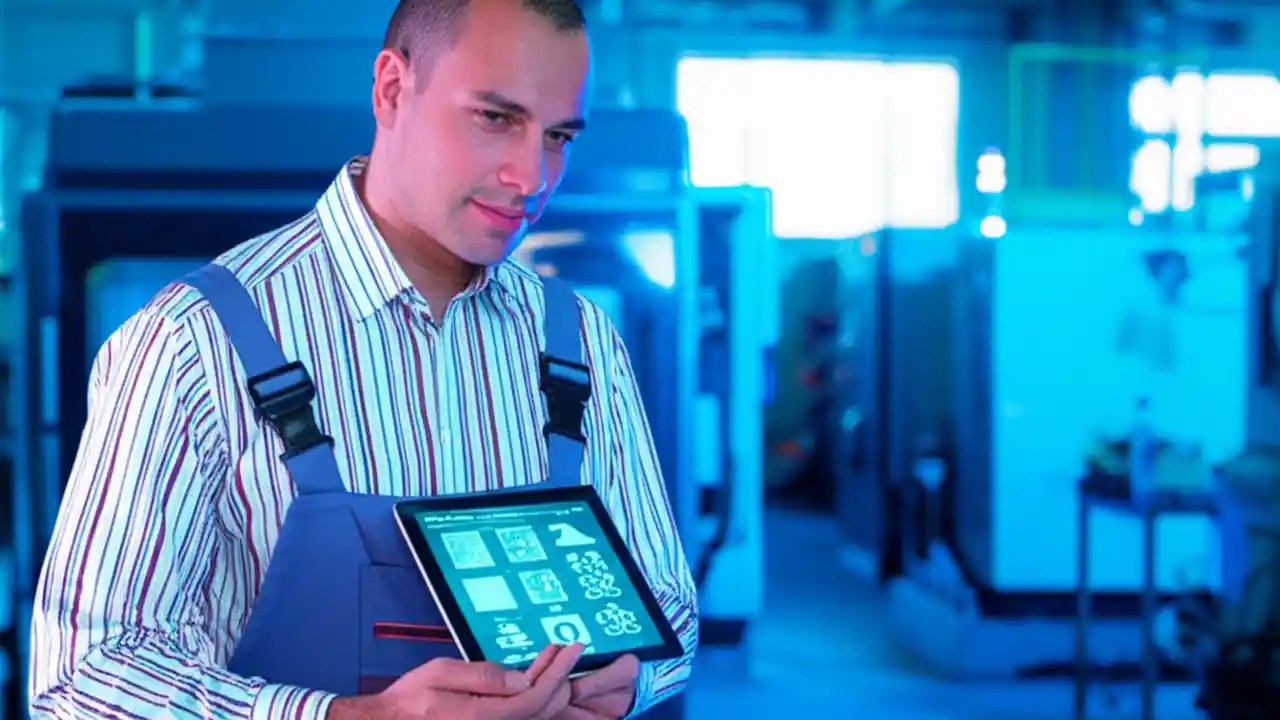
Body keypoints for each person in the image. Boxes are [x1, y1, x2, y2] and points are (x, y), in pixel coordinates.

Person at [28, 0, 699, 718]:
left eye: (558, 136)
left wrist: (631, 678)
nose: (532, 176)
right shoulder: (192, 341)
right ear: (391, 89)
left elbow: (669, 604)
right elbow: (82, 679)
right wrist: (350, 716)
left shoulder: (582, 342)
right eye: (495, 118)